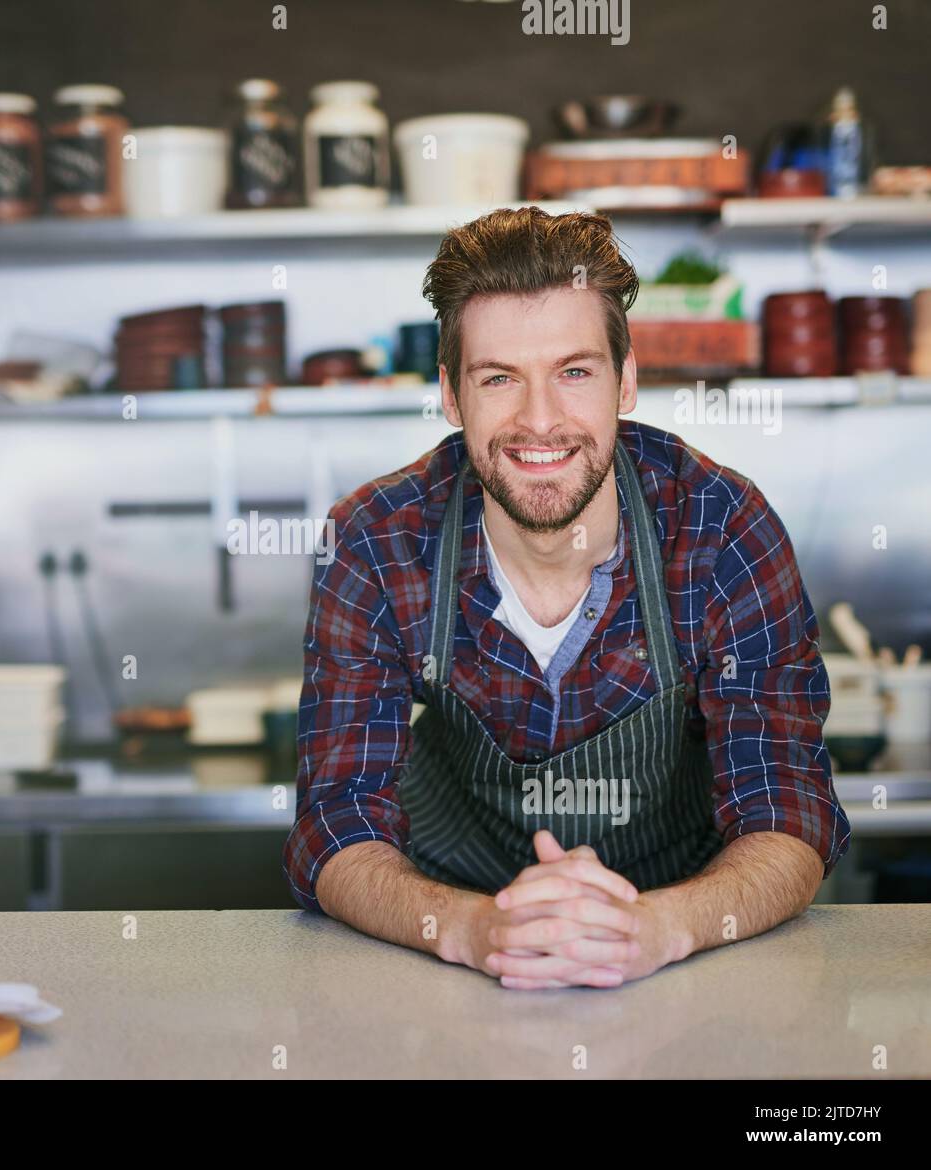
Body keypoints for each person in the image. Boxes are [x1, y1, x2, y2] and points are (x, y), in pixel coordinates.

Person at [284, 207, 849, 989]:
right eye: (499, 378)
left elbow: (788, 810)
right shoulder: (377, 540)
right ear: (451, 395)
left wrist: (654, 928)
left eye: (574, 372)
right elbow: (336, 819)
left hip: (686, 957)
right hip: (448, 964)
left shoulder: (722, 528)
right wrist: (474, 930)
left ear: (628, 381)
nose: (540, 419)